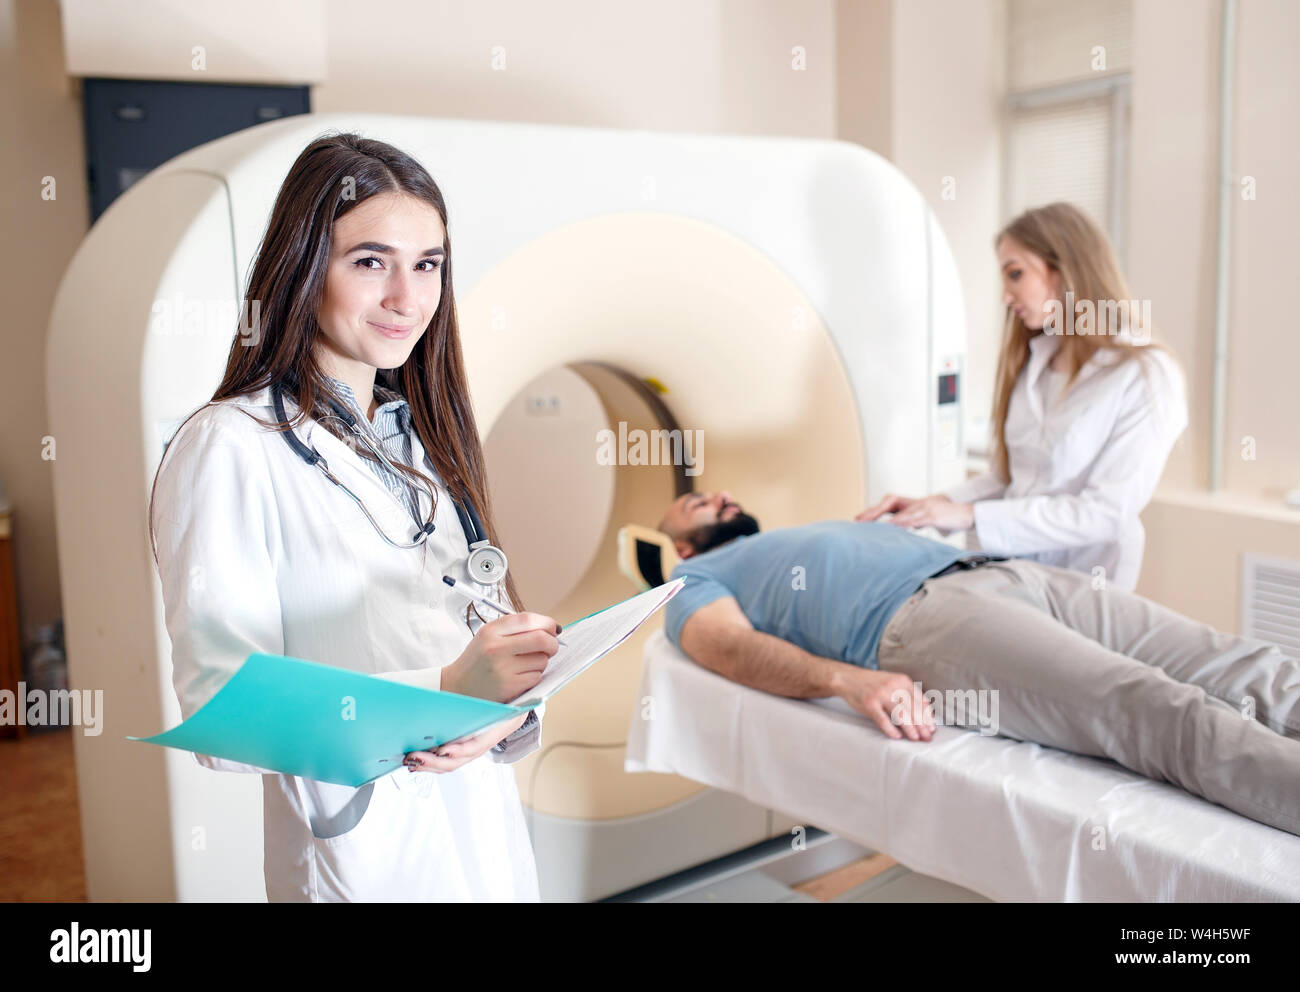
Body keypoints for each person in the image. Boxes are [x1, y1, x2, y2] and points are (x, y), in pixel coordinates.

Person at [149, 132, 560, 901]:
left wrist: (506, 707)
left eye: (427, 265)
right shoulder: (230, 446)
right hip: (365, 851)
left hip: (478, 825)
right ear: (304, 269)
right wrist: (439, 689)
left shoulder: (422, 438)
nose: (408, 297)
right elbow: (222, 708)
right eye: (370, 262)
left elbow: (473, 632)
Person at [655, 490, 1300, 837]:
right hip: (923, 622)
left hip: (1001, 572)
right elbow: (731, 648)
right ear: (683, 543)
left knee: (1236, 662)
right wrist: (845, 680)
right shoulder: (694, 581)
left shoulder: (784, 537)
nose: (717, 496)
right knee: (1148, 703)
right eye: (698, 505)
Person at [858, 203, 1187, 592]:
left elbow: (1105, 513)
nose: (1005, 296)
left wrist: (968, 514)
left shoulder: (1144, 375)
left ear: (1065, 268)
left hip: (1085, 585)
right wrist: (933, 505)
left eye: (1015, 274)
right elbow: (1009, 479)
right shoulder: (1036, 362)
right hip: (1013, 575)